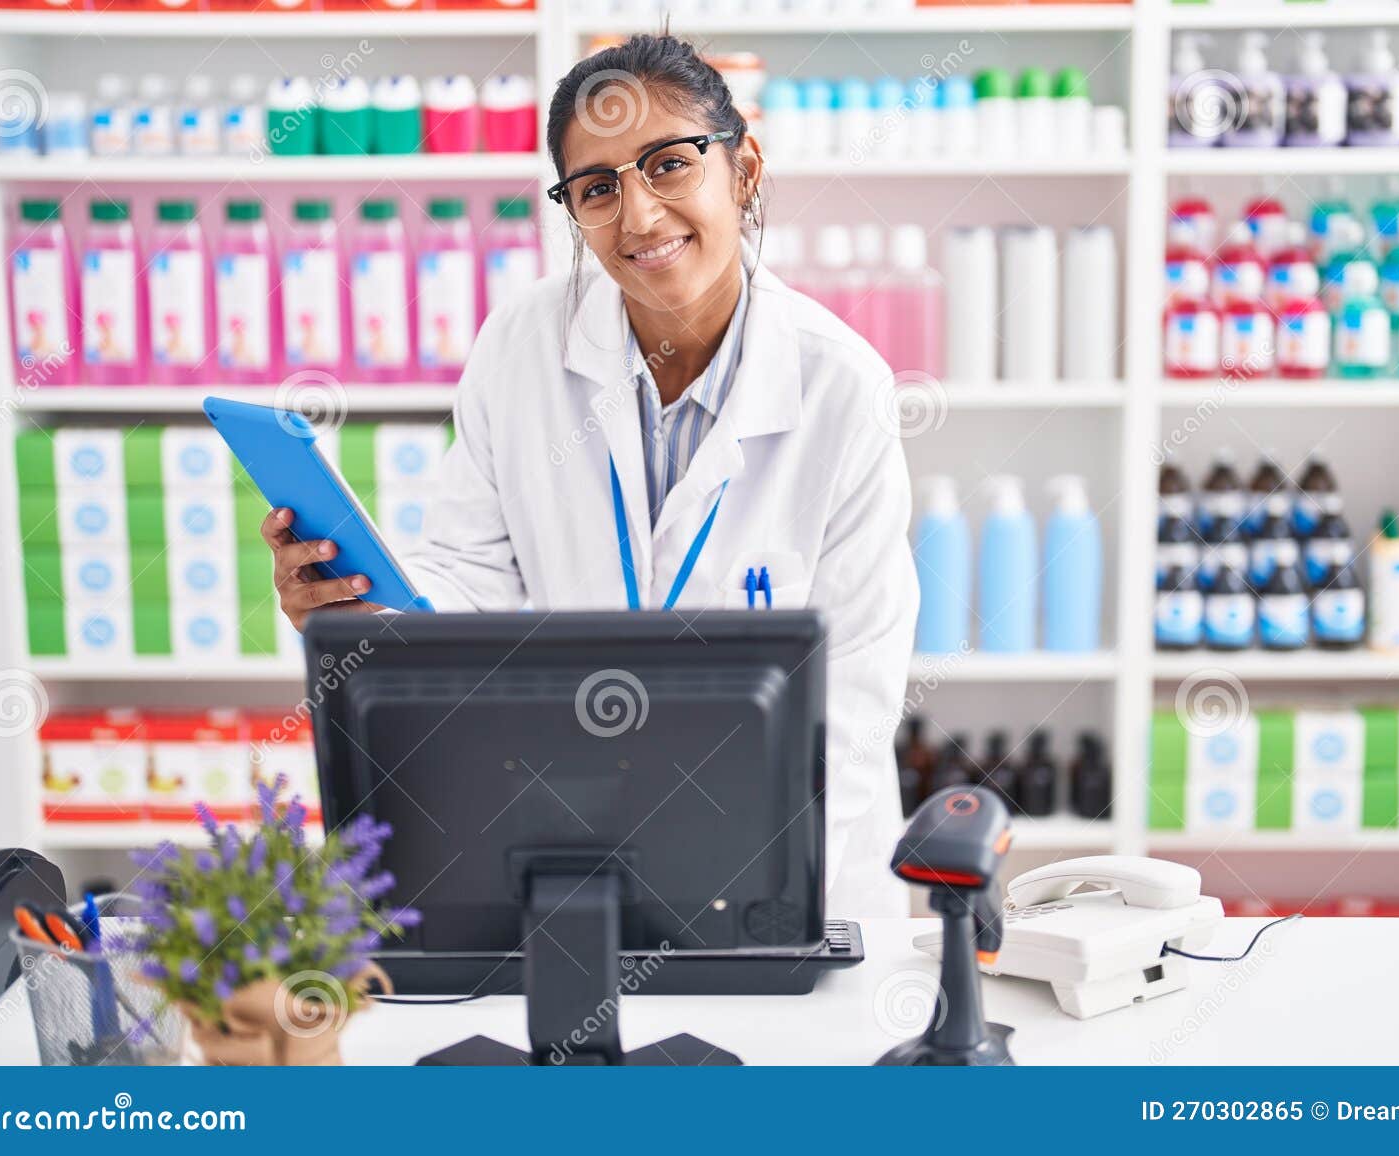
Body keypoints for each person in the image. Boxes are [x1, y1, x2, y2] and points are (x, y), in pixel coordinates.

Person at [260, 33, 919, 917]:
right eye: (598, 187)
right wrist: (362, 611)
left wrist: (750, 883)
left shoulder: (842, 388)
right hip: (567, 834)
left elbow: (855, 697)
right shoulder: (521, 346)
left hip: (787, 863)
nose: (638, 216)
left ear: (744, 170)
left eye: (670, 164)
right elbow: (471, 578)